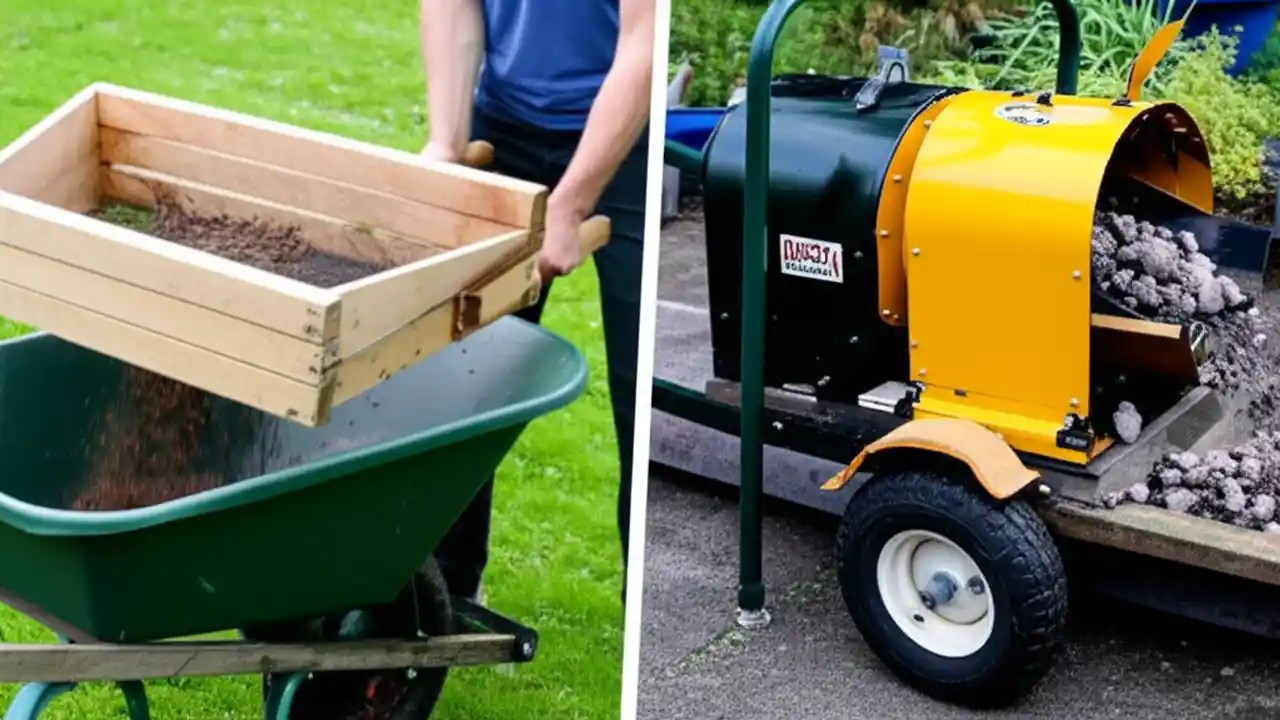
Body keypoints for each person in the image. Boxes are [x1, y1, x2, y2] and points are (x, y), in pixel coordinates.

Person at [422, 0, 654, 602]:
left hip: (631, 142)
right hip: (504, 129)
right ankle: (444, 596)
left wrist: (569, 204)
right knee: (462, 374)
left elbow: (645, 42)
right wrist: (446, 144)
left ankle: (648, 623)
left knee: (643, 401)